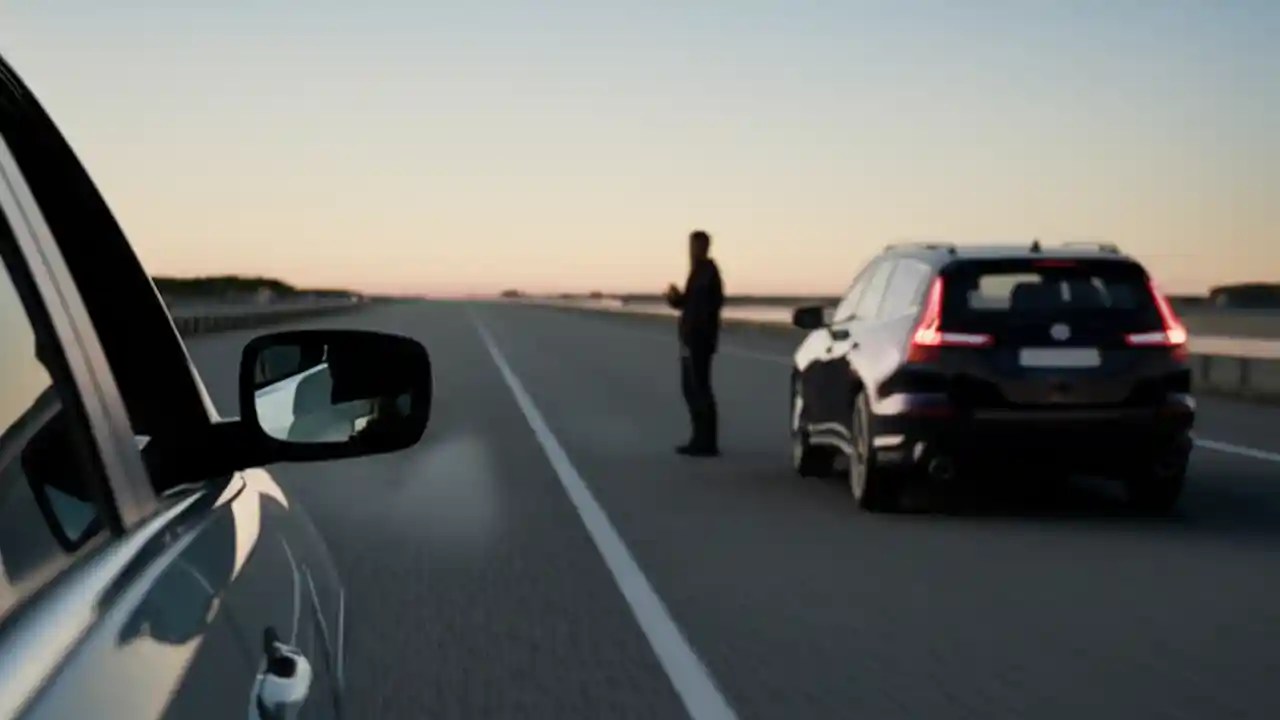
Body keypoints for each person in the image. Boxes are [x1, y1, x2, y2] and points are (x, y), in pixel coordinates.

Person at [664, 229, 724, 457]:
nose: (692, 250)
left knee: (699, 389)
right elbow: (689, 304)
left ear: (705, 247)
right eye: (691, 245)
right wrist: (675, 298)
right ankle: (699, 439)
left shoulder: (709, 271)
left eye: (697, 246)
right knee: (691, 389)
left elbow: (708, 305)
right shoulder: (697, 272)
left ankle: (707, 443)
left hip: (699, 340)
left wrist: (696, 331)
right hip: (691, 339)